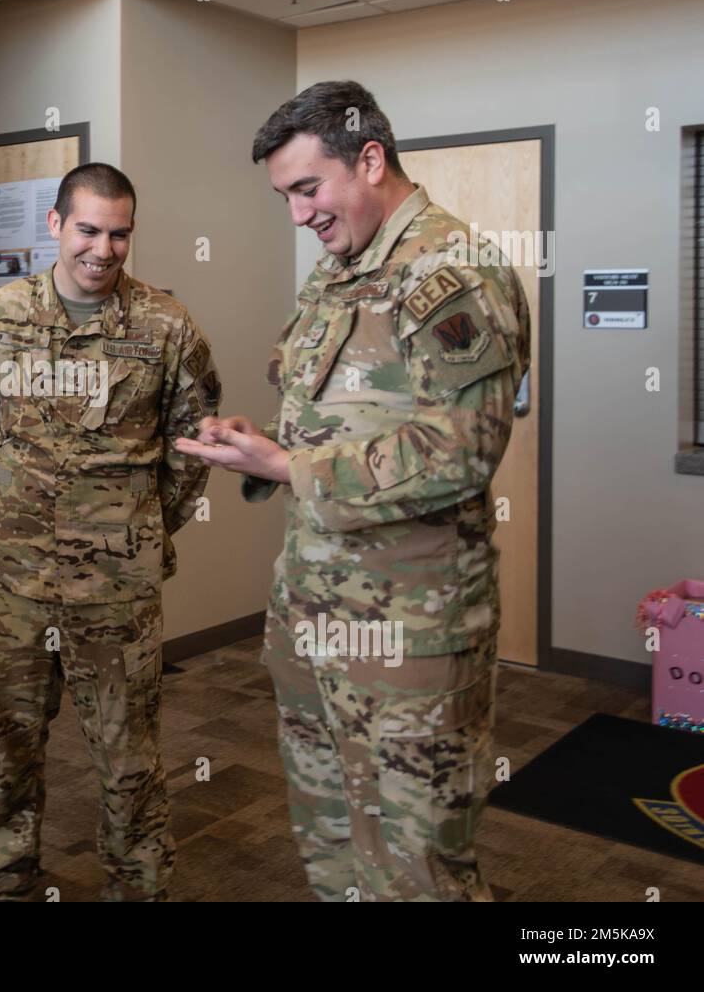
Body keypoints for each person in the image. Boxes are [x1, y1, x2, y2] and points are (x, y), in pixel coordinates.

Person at [177, 80, 529, 902]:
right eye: (285, 196)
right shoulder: (340, 273)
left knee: (415, 866)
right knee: (332, 840)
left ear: (370, 159)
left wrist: (289, 468)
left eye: (308, 188)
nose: (298, 216)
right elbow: (337, 417)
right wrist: (260, 444)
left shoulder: (451, 271)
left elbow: (461, 449)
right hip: (316, 610)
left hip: (409, 635)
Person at [0, 162, 221, 901]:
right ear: (55, 226)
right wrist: (30, 501)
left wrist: (134, 521)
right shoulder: (1, 317)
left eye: (118, 233)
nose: (103, 249)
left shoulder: (165, 326)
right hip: (12, 581)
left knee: (127, 755)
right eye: (88, 230)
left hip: (115, 589)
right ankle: (3, 875)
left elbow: (191, 446)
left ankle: (137, 884)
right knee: (7, 745)